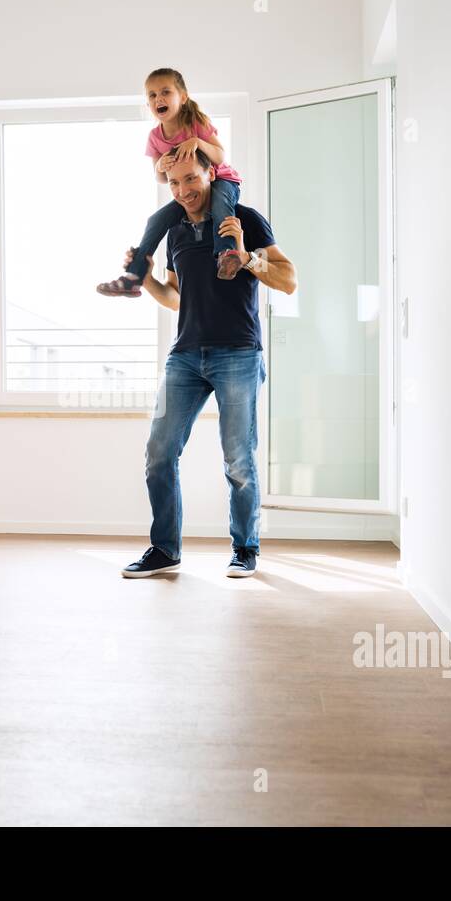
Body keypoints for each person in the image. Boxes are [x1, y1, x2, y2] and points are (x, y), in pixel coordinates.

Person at [120, 146, 296, 579]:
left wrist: (248, 255)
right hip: (185, 356)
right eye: (174, 183)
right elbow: (175, 297)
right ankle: (164, 549)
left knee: (238, 458)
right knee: (159, 453)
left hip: (237, 352)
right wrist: (145, 281)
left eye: (191, 180)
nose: (183, 190)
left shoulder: (245, 218)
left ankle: (245, 548)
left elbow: (288, 281)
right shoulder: (175, 233)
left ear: (210, 175)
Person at [96, 67, 245, 298]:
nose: (159, 99)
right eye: (153, 95)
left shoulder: (195, 123)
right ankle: (134, 277)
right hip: (192, 191)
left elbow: (219, 156)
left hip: (222, 180)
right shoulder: (155, 137)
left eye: (166, 92)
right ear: (149, 105)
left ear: (183, 98)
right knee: (156, 220)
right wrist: (160, 165)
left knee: (219, 206)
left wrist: (197, 142)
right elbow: (160, 178)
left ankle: (227, 255)